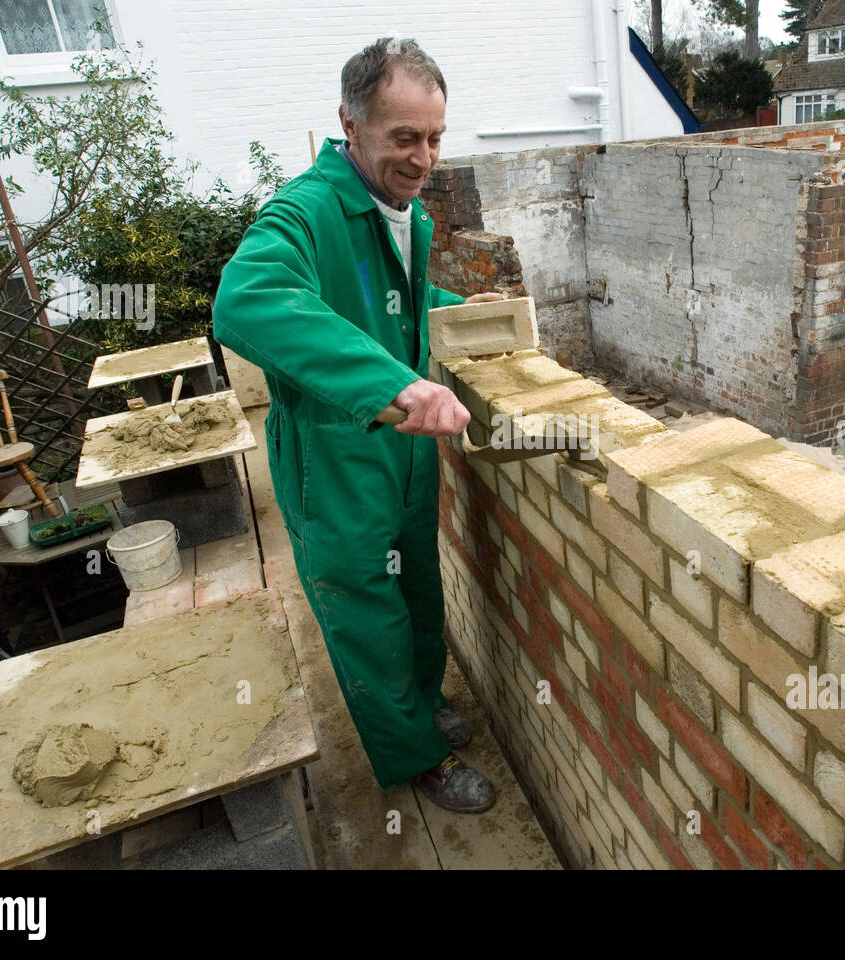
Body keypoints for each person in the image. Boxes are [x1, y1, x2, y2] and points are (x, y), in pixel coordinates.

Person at [212, 37, 502, 813]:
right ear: (350, 123)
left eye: (436, 136)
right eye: (404, 137)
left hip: (399, 452)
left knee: (416, 591)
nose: (423, 157)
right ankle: (415, 757)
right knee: (366, 612)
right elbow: (246, 303)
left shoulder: (400, 210)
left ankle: (420, 701)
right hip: (335, 456)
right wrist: (395, 386)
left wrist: (458, 317)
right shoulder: (305, 209)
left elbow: (385, 312)